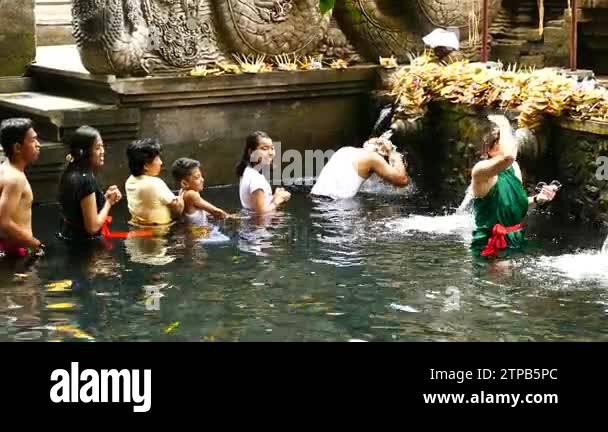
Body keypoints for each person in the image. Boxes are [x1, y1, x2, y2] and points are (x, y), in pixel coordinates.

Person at [470, 114, 559, 257]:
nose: (512, 144)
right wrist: (505, 125)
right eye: (505, 142)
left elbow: (513, 205)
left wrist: (538, 199)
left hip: (515, 238)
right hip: (491, 242)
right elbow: (508, 157)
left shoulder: (514, 168)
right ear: (490, 149)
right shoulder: (480, 172)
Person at [57, 126, 122, 241]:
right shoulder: (86, 179)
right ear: (85, 152)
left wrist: (103, 197)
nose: (102, 151)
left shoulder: (70, 171)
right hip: (83, 244)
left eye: (102, 146)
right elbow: (92, 227)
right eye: (97, 148)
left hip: (68, 235)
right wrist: (109, 202)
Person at [310, 137, 409, 200]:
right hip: (336, 206)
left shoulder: (344, 150)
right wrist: (394, 153)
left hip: (314, 199)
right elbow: (402, 180)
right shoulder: (373, 158)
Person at [0, 118, 43, 257]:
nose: (38, 145)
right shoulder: (15, 179)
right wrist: (33, 243)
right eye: (33, 140)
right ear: (17, 147)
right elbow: (3, 221)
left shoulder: (5, 168)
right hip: (17, 253)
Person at [125, 138, 184, 226]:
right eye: (157, 159)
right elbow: (177, 207)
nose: (161, 162)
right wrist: (181, 197)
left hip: (138, 228)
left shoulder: (129, 181)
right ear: (146, 166)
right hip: (160, 232)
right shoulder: (155, 183)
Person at [236, 131, 291, 214]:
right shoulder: (256, 179)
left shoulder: (248, 171)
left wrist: (276, 196)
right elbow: (260, 214)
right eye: (264, 149)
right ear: (251, 152)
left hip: (249, 224)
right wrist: (277, 201)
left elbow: (255, 207)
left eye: (272, 148)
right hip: (258, 226)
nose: (271, 153)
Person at [171, 157, 229, 224]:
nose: (202, 179)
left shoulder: (182, 192)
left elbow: (202, 210)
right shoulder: (191, 194)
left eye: (201, 176)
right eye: (197, 177)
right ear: (184, 183)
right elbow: (215, 211)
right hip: (199, 232)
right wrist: (230, 217)